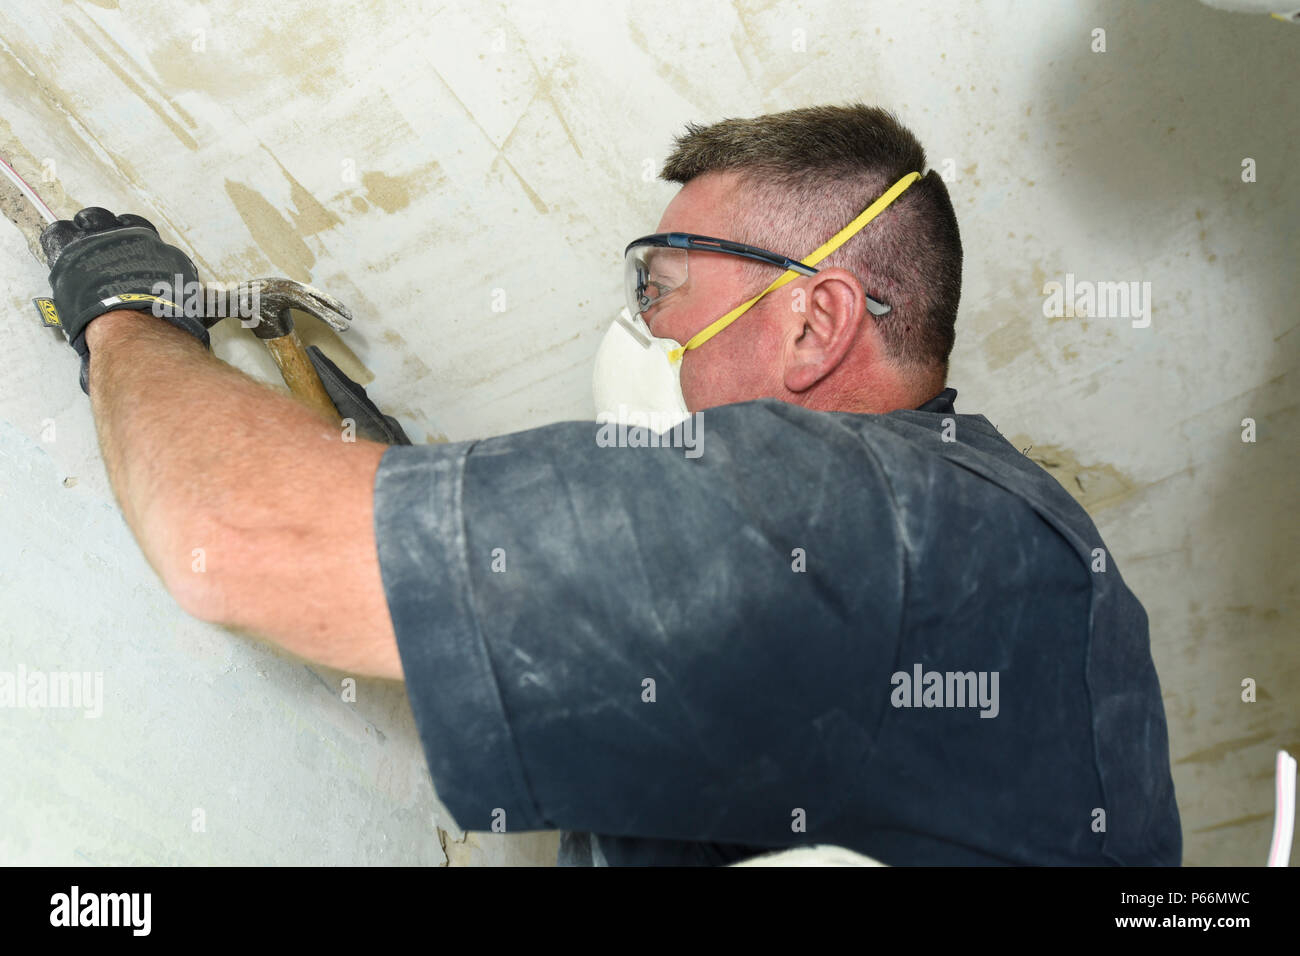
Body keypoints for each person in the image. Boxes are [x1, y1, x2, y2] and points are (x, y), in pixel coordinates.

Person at [37, 103, 1181, 866]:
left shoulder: (874, 504)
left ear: (815, 323)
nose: (638, 322)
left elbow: (235, 536)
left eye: (664, 280)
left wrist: (126, 314)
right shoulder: (995, 563)